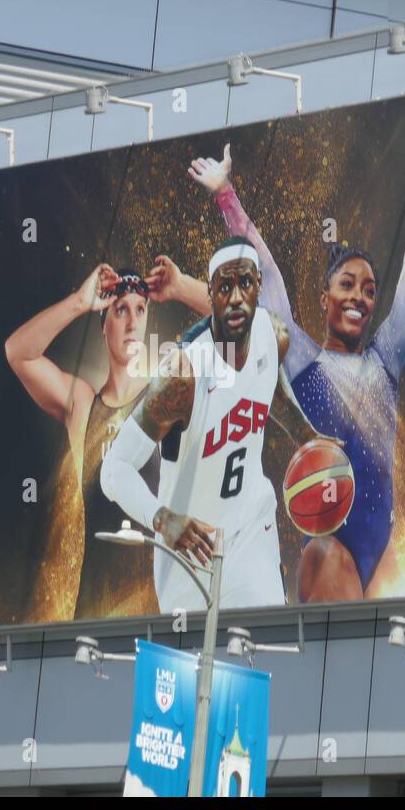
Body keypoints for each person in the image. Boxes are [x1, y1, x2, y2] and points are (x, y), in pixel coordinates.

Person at [188, 109, 405, 602]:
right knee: (338, 673)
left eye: (369, 290)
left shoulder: (387, 358)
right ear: (325, 298)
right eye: (347, 285)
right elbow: (267, 273)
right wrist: (226, 195)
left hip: (382, 548)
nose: (360, 297)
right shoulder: (301, 360)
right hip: (330, 545)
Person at [100, 240, 339, 611]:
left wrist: (306, 434)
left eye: (245, 283)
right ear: (210, 295)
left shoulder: (273, 335)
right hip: (189, 548)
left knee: (266, 650)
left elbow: (268, 381)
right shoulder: (183, 375)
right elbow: (113, 470)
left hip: (249, 530)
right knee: (197, 667)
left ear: (259, 284)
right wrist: (163, 519)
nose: (236, 298)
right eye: (224, 288)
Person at [5, 257, 209, 618]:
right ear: (103, 324)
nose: (133, 323)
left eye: (140, 310)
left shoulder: (169, 395)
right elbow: (18, 353)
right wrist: (80, 303)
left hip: (162, 611)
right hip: (94, 615)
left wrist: (181, 288)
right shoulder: (83, 406)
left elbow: (249, 331)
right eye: (120, 311)